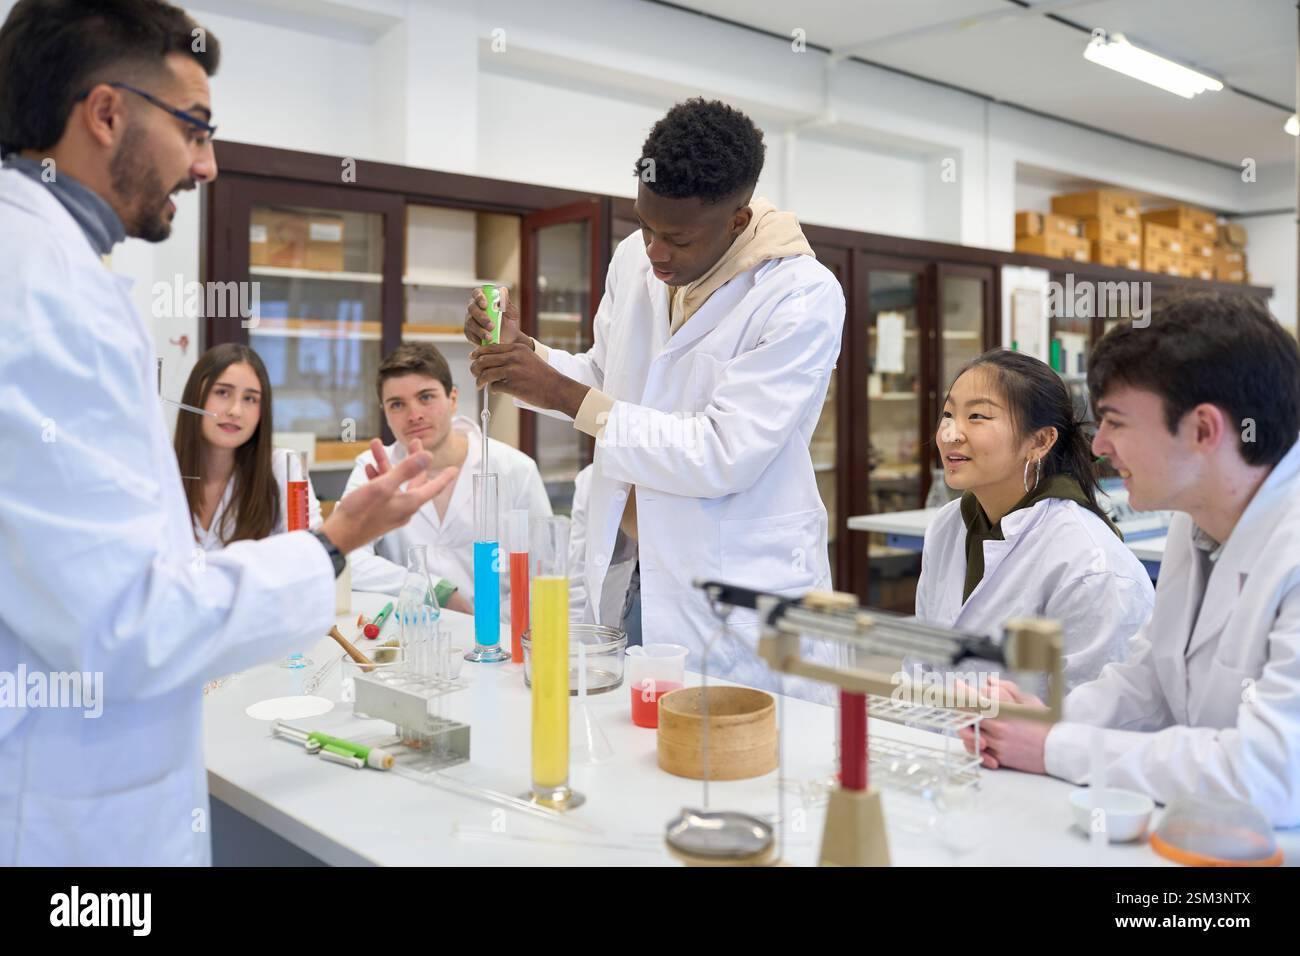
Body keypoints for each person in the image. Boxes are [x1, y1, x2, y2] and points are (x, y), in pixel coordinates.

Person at [0, 0, 456, 865]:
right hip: (56, 813)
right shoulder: (43, 291)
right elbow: (131, 626)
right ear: (105, 114)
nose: (205, 165)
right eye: (194, 128)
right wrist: (333, 540)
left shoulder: (51, 267)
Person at [465, 98, 844, 695]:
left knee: (731, 762)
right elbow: (604, 374)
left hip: (731, 585)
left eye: (677, 237)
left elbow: (723, 451)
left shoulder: (799, 296)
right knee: (629, 748)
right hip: (631, 560)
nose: (655, 252)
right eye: (644, 227)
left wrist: (563, 394)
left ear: (738, 221)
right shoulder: (634, 263)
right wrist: (525, 358)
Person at [964, 294, 1300, 827]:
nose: (1099, 446)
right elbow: (1149, 682)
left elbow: (1272, 774)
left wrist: (1053, 747)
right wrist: (1045, 720)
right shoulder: (1197, 519)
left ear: (1204, 430)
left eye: (1116, 423)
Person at [914, 349, 1153, 692]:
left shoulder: (1090, 564)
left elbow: (1095, 717)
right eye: (949, 413)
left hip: (1036, 746)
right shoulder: (947, 526)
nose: (950, 433)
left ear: (1040, 441)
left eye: (978, 416)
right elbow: (922, 663)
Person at [344, 342, 551, 617]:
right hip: (413, 638)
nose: (414, 414)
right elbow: (346, 558)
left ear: (452, 399)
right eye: (397, 404)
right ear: (385, 412)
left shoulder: (515, 469)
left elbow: (544, 571)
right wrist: (433, 589)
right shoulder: (372, 468)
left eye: (426, 397)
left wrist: (493, 627)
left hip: (503, 638)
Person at [175, 343, 323, 550]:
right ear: (195, 397)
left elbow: (309, 553)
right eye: (222, 392)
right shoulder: (158, 470)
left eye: (250, 398)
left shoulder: (283, 467)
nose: (236, 411)